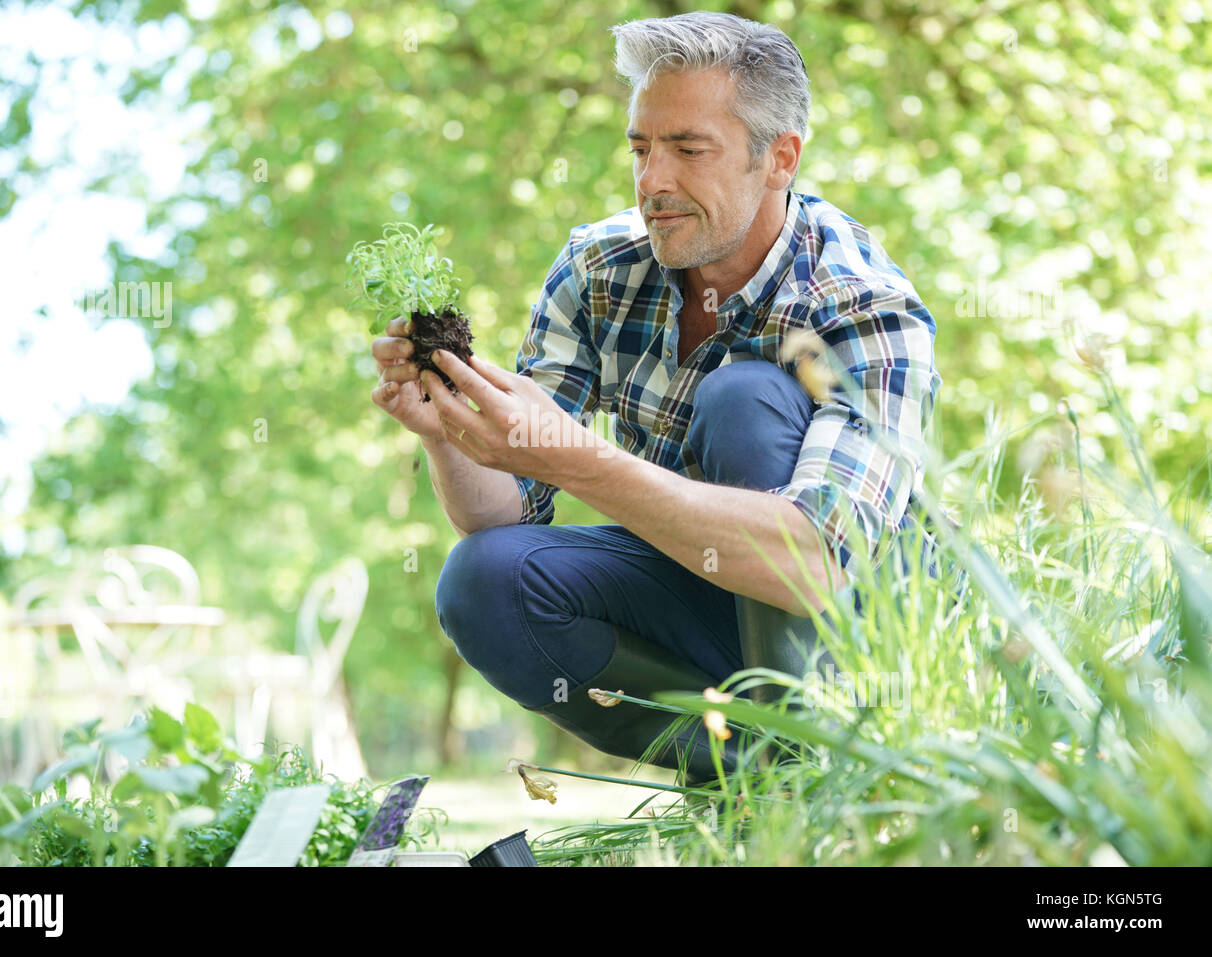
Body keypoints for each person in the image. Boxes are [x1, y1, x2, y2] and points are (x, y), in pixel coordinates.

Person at [370, 11, 942, 784]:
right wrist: (446, 429)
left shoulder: (860, 302)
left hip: (863, 627)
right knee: (482, 577)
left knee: (743, 400)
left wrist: (578, 458)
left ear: (778, 159)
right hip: (705, 586)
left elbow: (817, 559)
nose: (652, 181)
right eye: (641, 148)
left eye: (687, 149)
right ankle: (753, 776)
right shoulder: (599, 268)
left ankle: (831, 774)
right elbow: (504, 511)